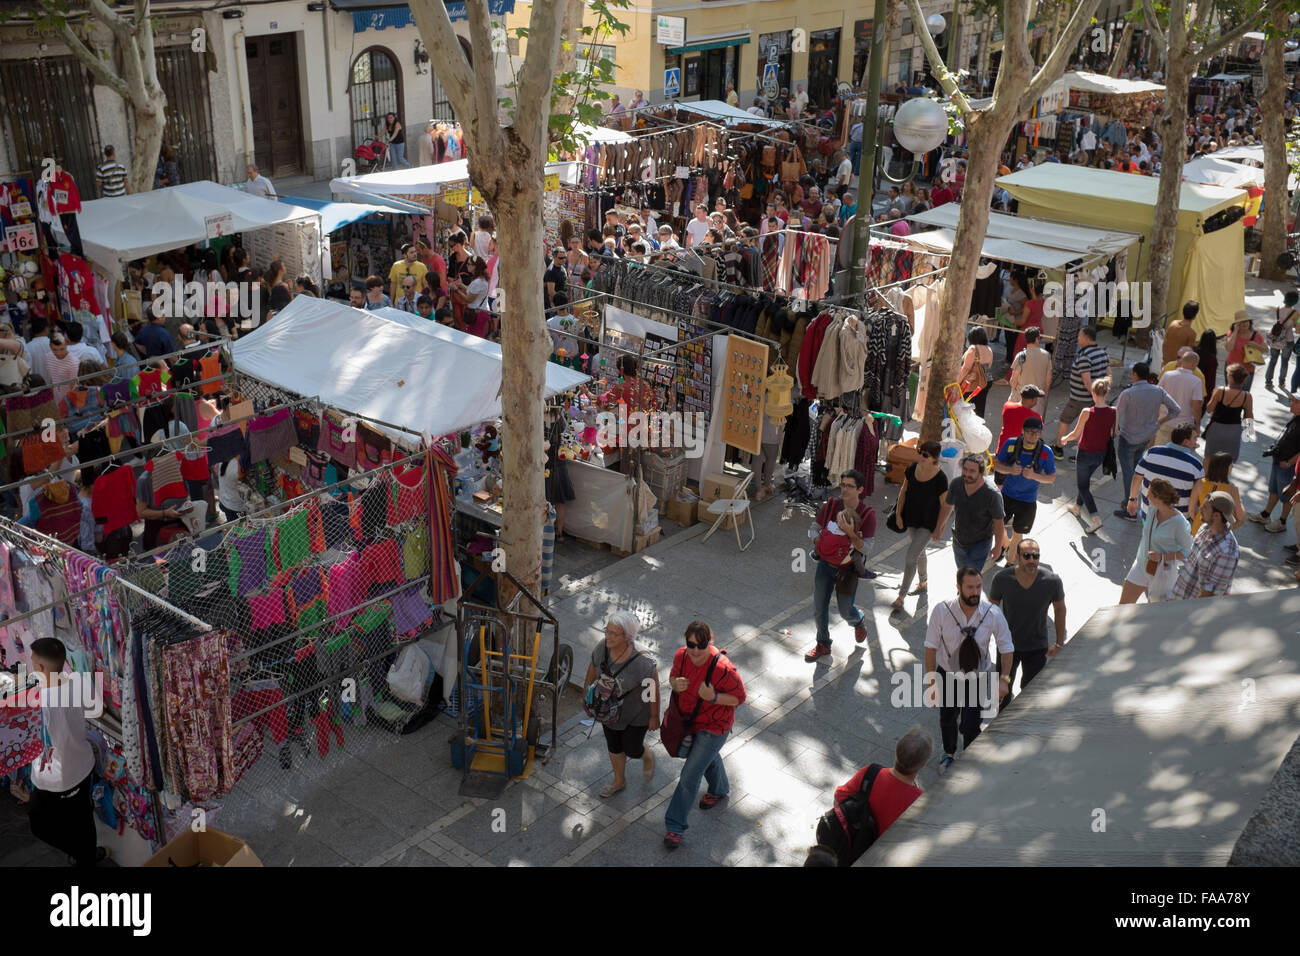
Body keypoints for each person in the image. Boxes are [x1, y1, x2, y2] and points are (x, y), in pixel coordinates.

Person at [662, 621, 746, 851]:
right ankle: (719, 789)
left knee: (690, 775)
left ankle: (675, 826)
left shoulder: (723, 669)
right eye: (691, 644)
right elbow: (672, 678)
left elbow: (740, 697)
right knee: (706, 758)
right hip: (689, 723)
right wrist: (673, 683)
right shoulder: (681, 656)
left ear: (710, 643)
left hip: (714, 727)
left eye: (702, 645)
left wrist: (714, 697)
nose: (696, 651)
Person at [923, 567, 1014, 774]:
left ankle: (969, 757)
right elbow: (930, 647)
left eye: (979, 587)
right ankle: (949, 753)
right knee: (947, 718)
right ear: (958, 587)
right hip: (947, 675)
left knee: (972, 724)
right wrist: (931, 682)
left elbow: (1006, 647)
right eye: (970, 587)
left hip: (978, 677)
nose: (975, 592)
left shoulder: (992, 613)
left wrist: (1004, 679)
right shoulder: (942, 610)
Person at [27, 637, 107, 867]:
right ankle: (87, 854)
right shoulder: (78, 681)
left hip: (57, 777)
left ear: (41, 668)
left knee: (39, 823)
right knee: (82, 817)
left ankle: (83, 856)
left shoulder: (41, 702)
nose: (32, 667)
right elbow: (98, 711)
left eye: (33, 663)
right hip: (82, 764)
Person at [814, 726, 933, 866]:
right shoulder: (919, 801)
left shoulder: (870, 773)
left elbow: (839, 799)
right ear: (923, 764)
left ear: (897, 751)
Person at [583, 611, 660, 798]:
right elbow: (591, 672)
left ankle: (646, 754)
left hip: (636, 714)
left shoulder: (643, 661)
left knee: (633, 749)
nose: (607, 636)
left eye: (613, 633)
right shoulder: (602, 648)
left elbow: (653, 690)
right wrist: (587, 700)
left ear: (627, 636)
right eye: (606, 631)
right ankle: (619, 781)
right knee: (614, 746)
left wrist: (654, 716)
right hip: (608, 712)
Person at [805, 469, 876, 662]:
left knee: (846, 611)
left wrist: (850, 533)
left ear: (860, 489)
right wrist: (819, 542)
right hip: (825, 565)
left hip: (848, 570)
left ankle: (858, 620)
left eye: (850, 486)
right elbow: (814, 528)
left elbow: (867, 547)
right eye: (843, 485)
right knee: (819, 607)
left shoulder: (868, 514)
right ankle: (823, 643)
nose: (844, 489)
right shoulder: (831, 505)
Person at [989, 538, 1065, 709]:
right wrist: (993, 635)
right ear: (1017, 556)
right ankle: (1001, 727)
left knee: (1030, 695)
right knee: (1002, 692)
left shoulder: (1052, 581)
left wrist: (1059, 642)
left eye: (1036, 556)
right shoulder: (1002, 578)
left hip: (1037, 647)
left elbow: (1060, 609)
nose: (1032, 560)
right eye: (1027, 556)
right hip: (1008, 647)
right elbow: (991, 606)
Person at [892, 441, 948, 613]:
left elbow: (945, 506)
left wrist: (939, 528)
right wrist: (898, 514)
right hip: (912, 519)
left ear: (934, 459)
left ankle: (901, 597)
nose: (920, 456)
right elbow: (903, 492)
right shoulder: (912, 469)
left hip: (928, 524)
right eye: (919, 452)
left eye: (925, 455)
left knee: (911, 558)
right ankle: (923, 582)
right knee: (919, 552)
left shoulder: (940, 478)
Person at [993, 416, 1056, 563]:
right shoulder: (1011, 444)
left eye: (1036, 432)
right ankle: (1005, 545)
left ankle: (1009, 564)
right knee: (997, 525)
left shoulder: (1046, 452)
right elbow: (996, 465)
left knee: (1018, 533)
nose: (1032, 435)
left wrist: (1034, 475)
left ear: (1040, 433)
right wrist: (1009, 470)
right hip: (1007, 495)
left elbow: (1051, 477)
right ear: (1022, 431)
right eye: (1029, 431)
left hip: (1027, 500)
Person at [1120, 477, 1193, 604]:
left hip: (1163, 574)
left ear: (1159, 498)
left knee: (1154, 614)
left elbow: (1188, 551)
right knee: (1122, 606)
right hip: (1142, 565)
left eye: (1150, 493)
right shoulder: (1153, 510)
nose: (1146, 495)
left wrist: (1162, 557)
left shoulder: (1179, 523)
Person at [933, 454, 1007, 570]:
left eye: (972, 471)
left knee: (971, 575)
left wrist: (998, 546)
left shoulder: (992, 494)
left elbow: (998, 521)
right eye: (965, 469)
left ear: (981, 473)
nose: (967, 474)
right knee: (962, 573)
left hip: (980, 543)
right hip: (958, 540)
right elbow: (947, 506)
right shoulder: (956, 484)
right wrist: (938, 528)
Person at [1062, 377, 1116, 533]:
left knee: (1083, 486)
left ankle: (1095, 519)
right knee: (1084, 482)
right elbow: (1114, 432)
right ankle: (1077, 508)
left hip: (1085, 453)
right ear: (1106, 393)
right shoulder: (1113, 411)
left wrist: (1064, 438)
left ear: (1093, 393)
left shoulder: (1087, 412)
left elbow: (1075, 433)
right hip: (1101, 454)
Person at [1053, 325, 1109, 457]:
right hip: (1094, 398)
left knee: (1065, 420)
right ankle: (1083, 453)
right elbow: (1109, 375)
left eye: (1079, 336)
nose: (1078, 339)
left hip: (1080, 398)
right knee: (1088, 426)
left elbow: (1087, 381)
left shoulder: (1084, 356)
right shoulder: (1102, 353)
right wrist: (1102, 397)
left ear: (1086, 338)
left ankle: (1058, 449)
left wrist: (1095, 398)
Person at [1127, 423, 1204, 519]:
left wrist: (1132, 499)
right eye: (1195, 438)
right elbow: (1196, 497)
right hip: (1177, 520)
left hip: (1149, 514)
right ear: (1186, 442)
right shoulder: (1196, 466)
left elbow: (1137, 477)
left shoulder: (1151, 453)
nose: (1196, 442)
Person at [1172, 491, 1241, 599]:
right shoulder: (1204, 528)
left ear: (1217, 516)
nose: (1200, 509)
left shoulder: (1227, 552)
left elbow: (1209, 594)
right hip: (1178, 596)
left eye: (1205, 507)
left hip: (1193, 609)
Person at [1249, 394, 1300, 532]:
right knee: (1274, 490)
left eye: (1295, 402)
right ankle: (1266, 514)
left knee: (1286, 494)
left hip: (1287, 466)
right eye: (1292, 400)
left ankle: (1282, 522)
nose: (1291, 403)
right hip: (1279, 461)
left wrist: (1289, 463)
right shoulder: (1295, 418)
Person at [1202, 364, 1253, 462]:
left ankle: (1207, 477)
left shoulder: (1220, 391)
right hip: (1234, 431)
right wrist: (1248, 432)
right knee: (1227, 461)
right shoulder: (1247, 396)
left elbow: (1209, 409)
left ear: (1230, 377)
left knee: (1209, 458)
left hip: (1216, 428)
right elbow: (1249, 416)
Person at [1155, 348, 1205, 446]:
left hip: (1165, 421)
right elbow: (1196, 407)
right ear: (1194, 364)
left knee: (1161, 453)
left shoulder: (1167, 375)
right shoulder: (1196, 381)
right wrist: (1198, 425)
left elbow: (1156, 396)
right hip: (1184, 427)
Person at [1189, 451, 1246, 534]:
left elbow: (1191, 511)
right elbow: (1241, 517)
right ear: (1224, 468)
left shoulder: (1199, 483)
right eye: (1231, 464)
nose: (1233, 466)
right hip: (1219, 531)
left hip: (1198, 529)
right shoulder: (1232, 488)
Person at [994, 384, 1046, 463]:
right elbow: (1037, 435)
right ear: (1033, 400)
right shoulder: (1036, 417)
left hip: (1002, 449)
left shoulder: (1007, 406)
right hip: (1020, 454)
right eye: (1036, 398)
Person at [1264, 290, 1299, 389]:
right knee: (1284, 362)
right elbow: (1298, 330)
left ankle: (1268, 382)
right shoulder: (1296, 314)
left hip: (1275, 339)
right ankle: (1281, 382)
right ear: (1295, 301)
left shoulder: (1278, 309)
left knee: (1272, 361)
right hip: (1288, 340)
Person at [958, 326, 994, 419]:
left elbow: (966, 368)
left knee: (966, 409)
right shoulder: (989, 349)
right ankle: (978, 430)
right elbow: (988, 366)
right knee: (979, 409)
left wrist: (957, 381)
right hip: (986, 382)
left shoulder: (973, 349)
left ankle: (966, 430)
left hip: (972, 383)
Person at [1224, 311, 1266, 390]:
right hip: (1232, 369)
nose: (1245, 324)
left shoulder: (1256, 335)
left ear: (1250, 322)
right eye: (1242, 322)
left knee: (1244, 394)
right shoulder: (1232, 333)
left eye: (1246, 321)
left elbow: (1266, 350)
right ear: (1237, 324)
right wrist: (1235, 331)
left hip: (1247, 371)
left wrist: (1256, 345)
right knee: (1230, 394)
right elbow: (1228, 348)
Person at [1008, 326, 1051, 396]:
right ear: (1037, 339)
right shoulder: (1047, 355)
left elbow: (1013, 380)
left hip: (1021, 398)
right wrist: (1044, 397)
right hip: (1037, 398)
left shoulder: (1020, 355)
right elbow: (1048, 380)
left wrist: (1015, 393)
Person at [1163, 300, 1199, 366]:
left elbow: (1165, 343)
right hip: (1177, 367)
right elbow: (1188, 356)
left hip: (1165, 363)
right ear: (1194, 316)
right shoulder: (1191, 334)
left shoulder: (1172, 324)